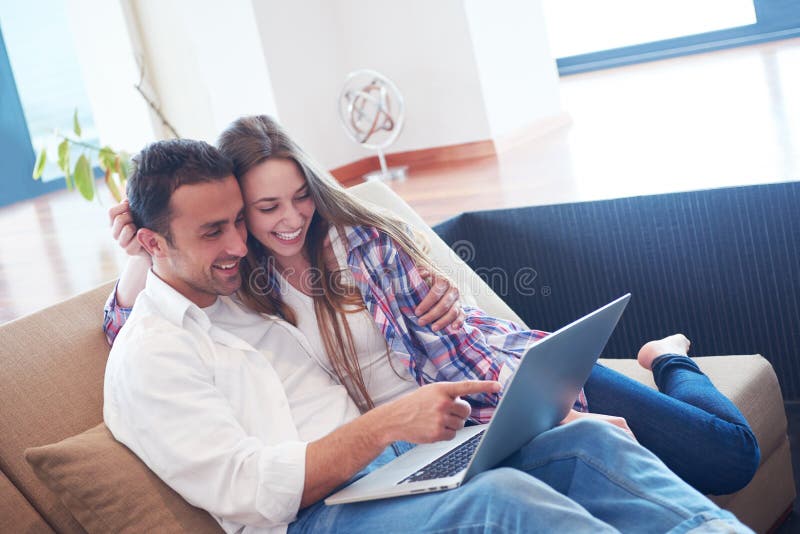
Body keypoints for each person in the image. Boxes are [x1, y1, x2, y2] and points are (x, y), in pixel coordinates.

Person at [104, 137, 750, 533]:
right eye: (214, 232)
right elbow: (252, 490)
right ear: (152, 241)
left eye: (236, 223)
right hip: (315, 516)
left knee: (584, 442)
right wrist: (388, 424)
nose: (240, 244)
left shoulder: (245, 288)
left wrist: (442, 300)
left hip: (398, 464)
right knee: (501, 501)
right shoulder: (152, 354)